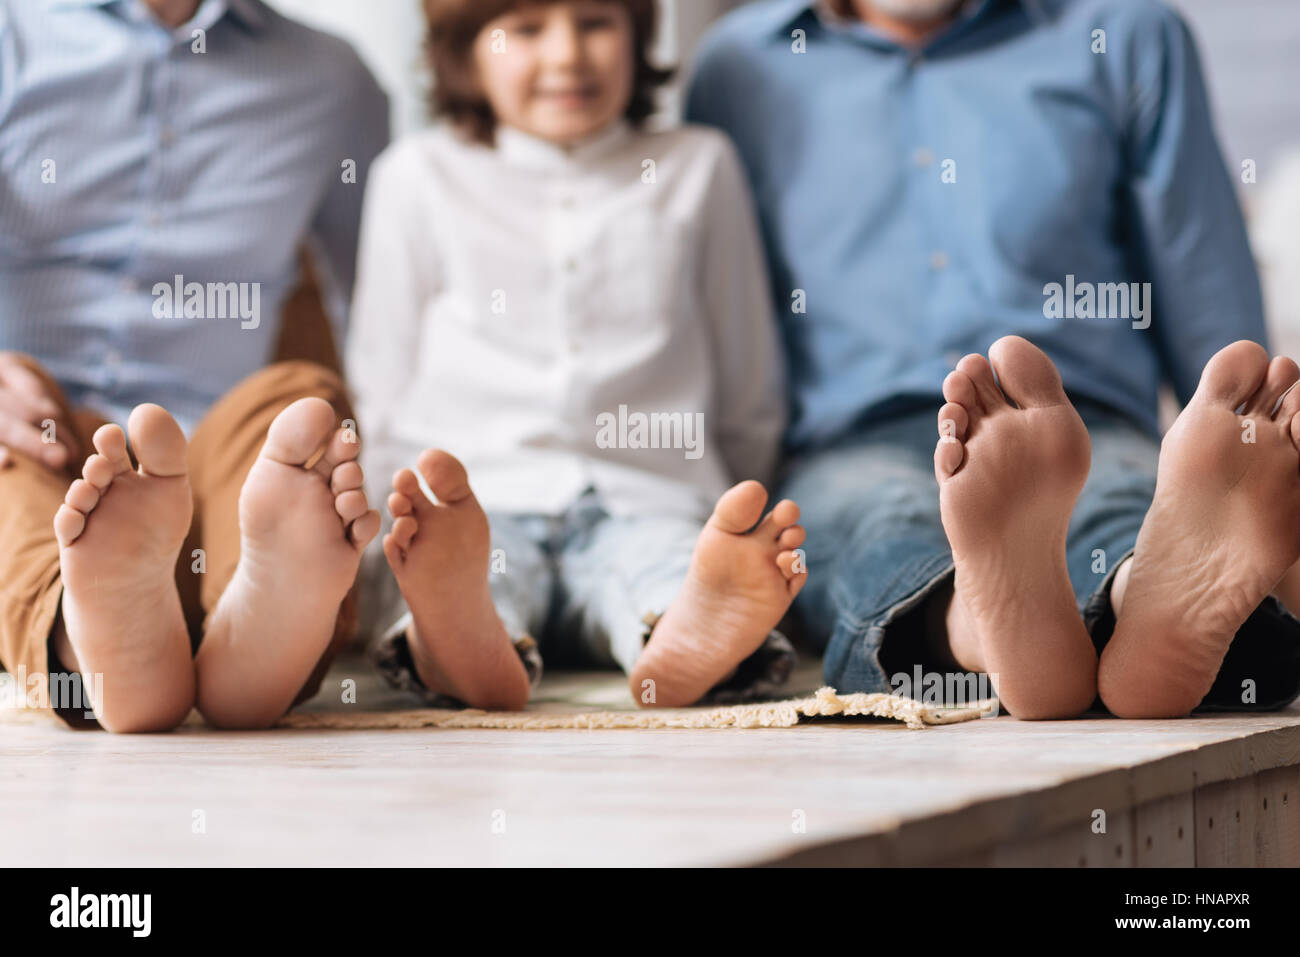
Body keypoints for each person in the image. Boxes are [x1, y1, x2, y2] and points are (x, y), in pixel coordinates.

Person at [686, 0, 1300, 717]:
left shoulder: (1126, 34)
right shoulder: (737, 64)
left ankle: (1099, 605)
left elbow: (1203, 276)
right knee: (878, 521)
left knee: (1122, 508)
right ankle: (1025, 618)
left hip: (1078, 424)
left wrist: (1246, 439)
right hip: (850, 437)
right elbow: (713, 287)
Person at [348, 0, 804, 711]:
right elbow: (383, 385)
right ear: (466, 53)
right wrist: (386, 538)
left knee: (669, 566)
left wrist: (732, 497)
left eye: (595, 22)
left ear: (638, 35)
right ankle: (459, 640)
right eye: (526, 30)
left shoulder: (697, 166)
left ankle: (680, 638)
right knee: (473, 576)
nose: (567, 55)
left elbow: (750, 383)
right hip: (477, 501)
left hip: (647, 493)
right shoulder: (416, 175)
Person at [0, 0, 389, 731]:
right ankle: (83, 646)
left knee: (299, 404)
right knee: (5, 465)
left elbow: (384, 309)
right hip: (35, 438)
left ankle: (256, 633)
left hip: (217, 473)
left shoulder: (334, 83)